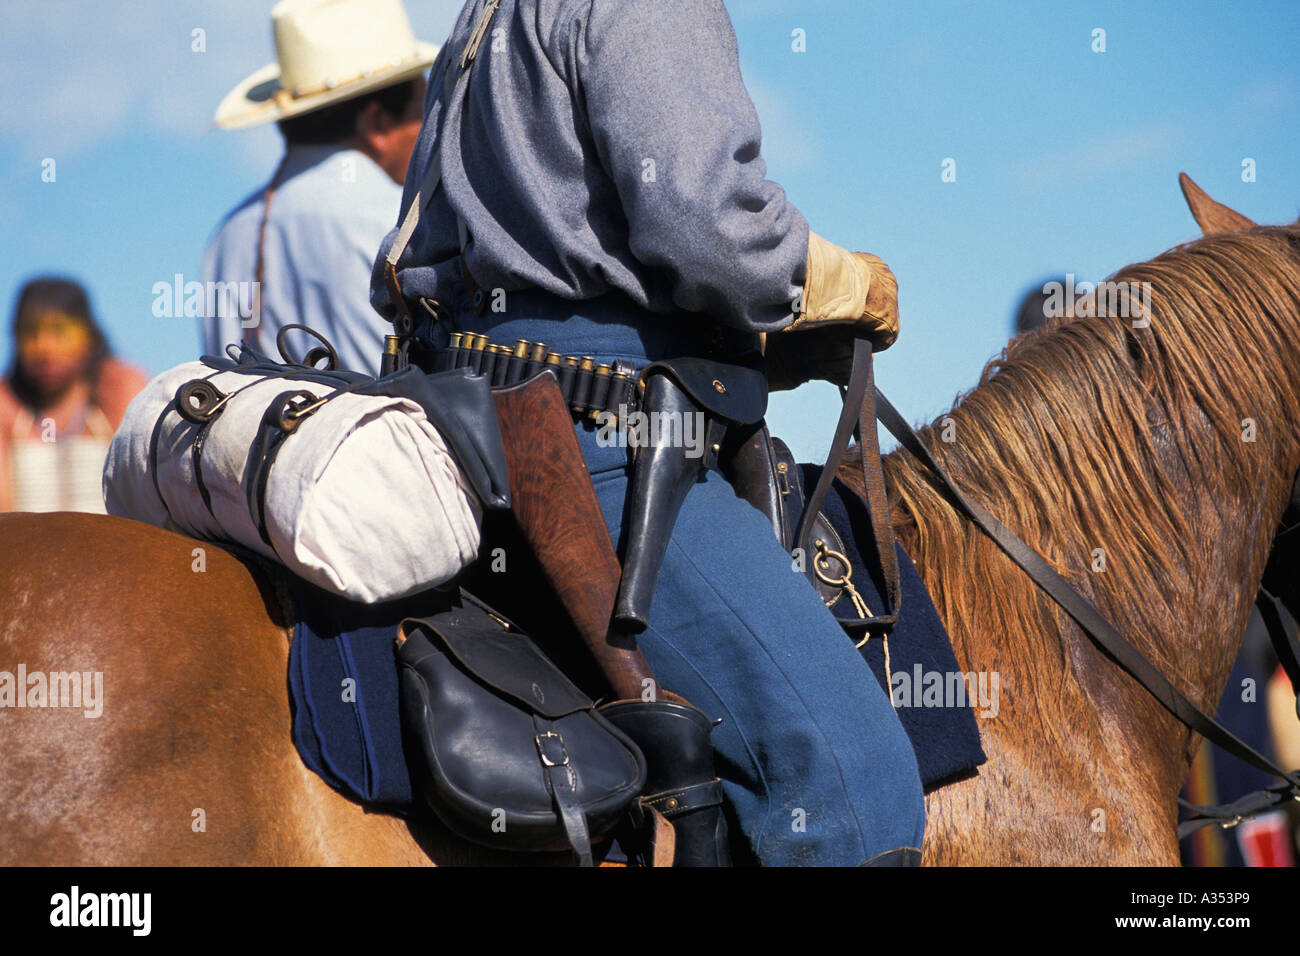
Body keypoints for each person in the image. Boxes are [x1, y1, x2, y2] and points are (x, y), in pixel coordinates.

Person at [373, 0, 925, 866]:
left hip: (463, 411)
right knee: (855, 784)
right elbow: (710, 235)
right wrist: (833, 279)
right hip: (591, 434)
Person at [202, 0, 437, 376]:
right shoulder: (401, 220)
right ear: (377, 124)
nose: (429, 131)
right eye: (422, 112)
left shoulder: (227, 236)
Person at [0, 277, 146, 513]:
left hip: (115, 546)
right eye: (31, 333)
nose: (45, 348)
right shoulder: (5, 404)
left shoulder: (118, 389)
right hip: (23, 548)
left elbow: (143, 500)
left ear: (89, 336)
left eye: (60, 330)